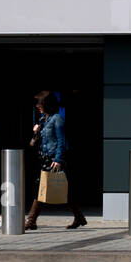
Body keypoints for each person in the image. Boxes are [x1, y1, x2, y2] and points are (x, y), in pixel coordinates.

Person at [24, 92, 86, 230]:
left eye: (40, 103)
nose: (37, 106)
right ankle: (79, 217)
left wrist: (58, 159)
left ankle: (31, 220)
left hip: (54, 160)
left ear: (47, 104)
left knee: (43, 187)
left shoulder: (57, 119)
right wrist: (36, 132)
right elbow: (32, 144)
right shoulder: (43, 120)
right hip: (45, 159)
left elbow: (61, 141)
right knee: (63, 190)